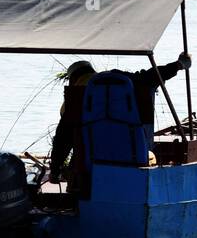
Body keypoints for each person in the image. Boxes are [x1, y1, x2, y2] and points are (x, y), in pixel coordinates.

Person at [48, 54, 189, 182]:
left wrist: (54, 171)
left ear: (72, 80)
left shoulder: (74, 101)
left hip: (93, 163)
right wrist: (178, 65)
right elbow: (151, 76)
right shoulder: (120, 80)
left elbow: (62, 141)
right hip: (132, 156)